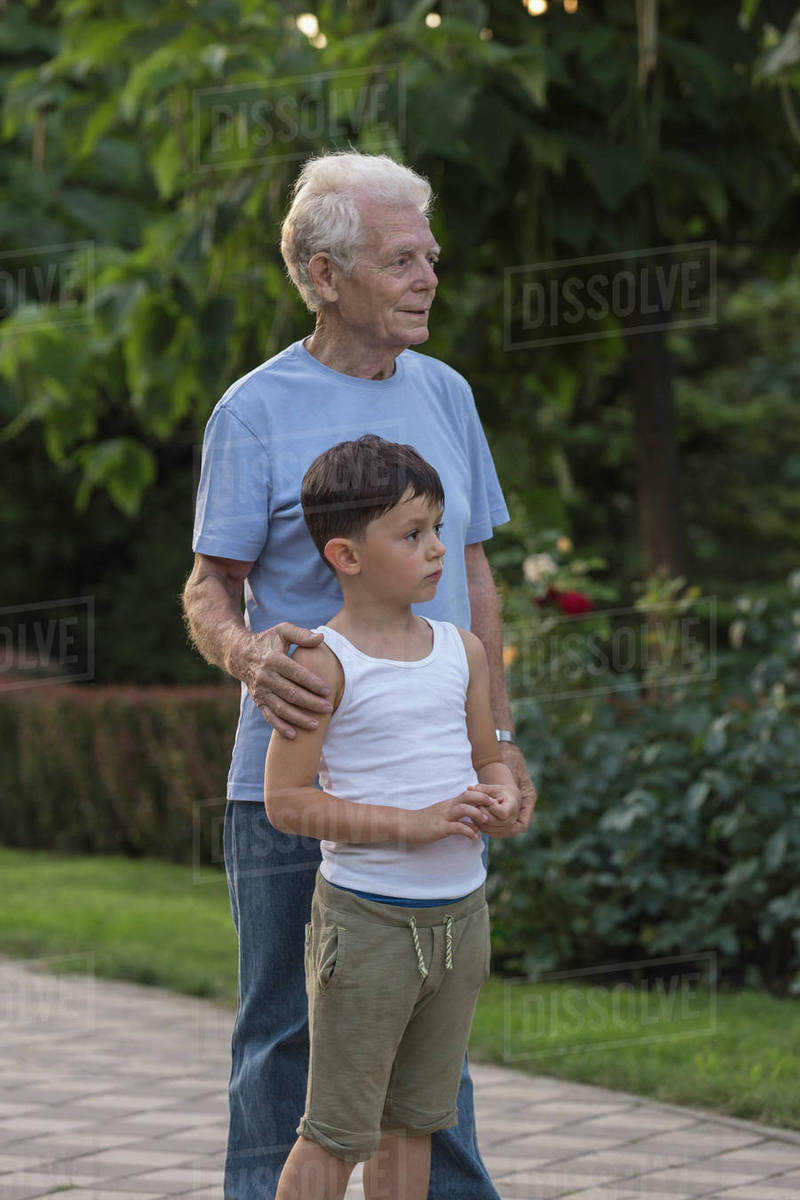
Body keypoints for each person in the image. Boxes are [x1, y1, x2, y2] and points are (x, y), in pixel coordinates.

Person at [182, 150, 536, 1200]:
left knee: (431, 1039)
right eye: (400, 259)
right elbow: (210, 587)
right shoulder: (251, 410)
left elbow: (473, 575)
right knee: (286, 1039)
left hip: (438, 776)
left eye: (430, 255)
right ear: (324, 273)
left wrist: (501, 745)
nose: (429, 275)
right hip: (297, 787)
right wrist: (248, 654)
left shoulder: (448, 394)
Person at [265, 434, 523, 1200]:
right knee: (338, 1131)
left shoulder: (463, 651)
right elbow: (287, 802)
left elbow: (487, 759)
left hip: (460, 920)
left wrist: (501, 796)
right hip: (369, 926)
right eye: (413, 534)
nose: (438, 549)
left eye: (438, 528)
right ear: (345, 555)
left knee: (414, 1124)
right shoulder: (322, 663)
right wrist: (413, 824)